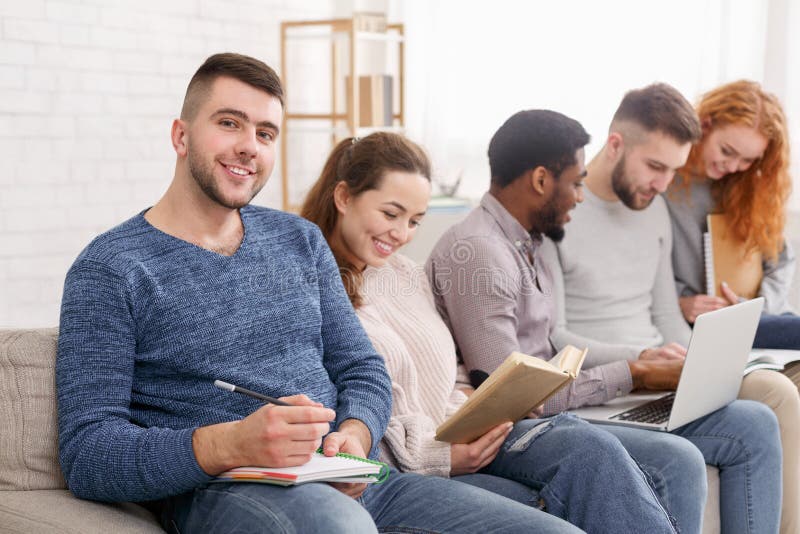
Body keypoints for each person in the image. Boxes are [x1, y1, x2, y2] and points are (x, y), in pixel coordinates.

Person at [55, 52, 582, 534]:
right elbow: (87, 454)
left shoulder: (299, 241)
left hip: (349, 478)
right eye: (229, 123)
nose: (249, 145)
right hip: (226, 489)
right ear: (181, 136)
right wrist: (230, 443)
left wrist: (356, 435)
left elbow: (363, 368)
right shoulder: (111, 268)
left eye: (266, 133)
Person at [426, 105, 783, 533]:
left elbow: (548, 348)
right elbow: (510, 399)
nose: (580, 196)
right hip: (512, 428)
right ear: (540, 180)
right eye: (575, 183)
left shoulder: (527, 241)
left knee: (753, 422)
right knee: (677, 460)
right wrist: (633, 373)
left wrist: (648, 363)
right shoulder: (481, 252)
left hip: (548, 410)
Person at [300, 131, 679, 533]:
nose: (402, 234)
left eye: (414, 221)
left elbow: (448, 369)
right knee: (572, 481)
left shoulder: (405, 274)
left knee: (598, 449)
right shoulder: (313, 288)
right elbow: (356, 405)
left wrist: (474, 403)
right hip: (420, 460)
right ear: (344, 198)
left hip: (467, 435)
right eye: (391, 214)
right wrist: (441, 457)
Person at [539, 83, 796, 533]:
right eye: (656, 167)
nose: (663, 184)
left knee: (758, 419)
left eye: (673, 170)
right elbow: (553, 335)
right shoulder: (558, 212)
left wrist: (701, 361)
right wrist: (641, 361)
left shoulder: (652, 208)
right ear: (615, 145)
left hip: (661, 380)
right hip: (607, 388)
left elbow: (664, 317)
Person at [665, 80, 800, 354]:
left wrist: (754, 308)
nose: (734, 166)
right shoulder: (663, 183)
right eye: (727, 151)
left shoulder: (750, 188)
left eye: (748, 160)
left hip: (760, 316)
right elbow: (645, 272)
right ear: (705, 126)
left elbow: (780, 263)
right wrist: (679, 302)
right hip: (699, 320)